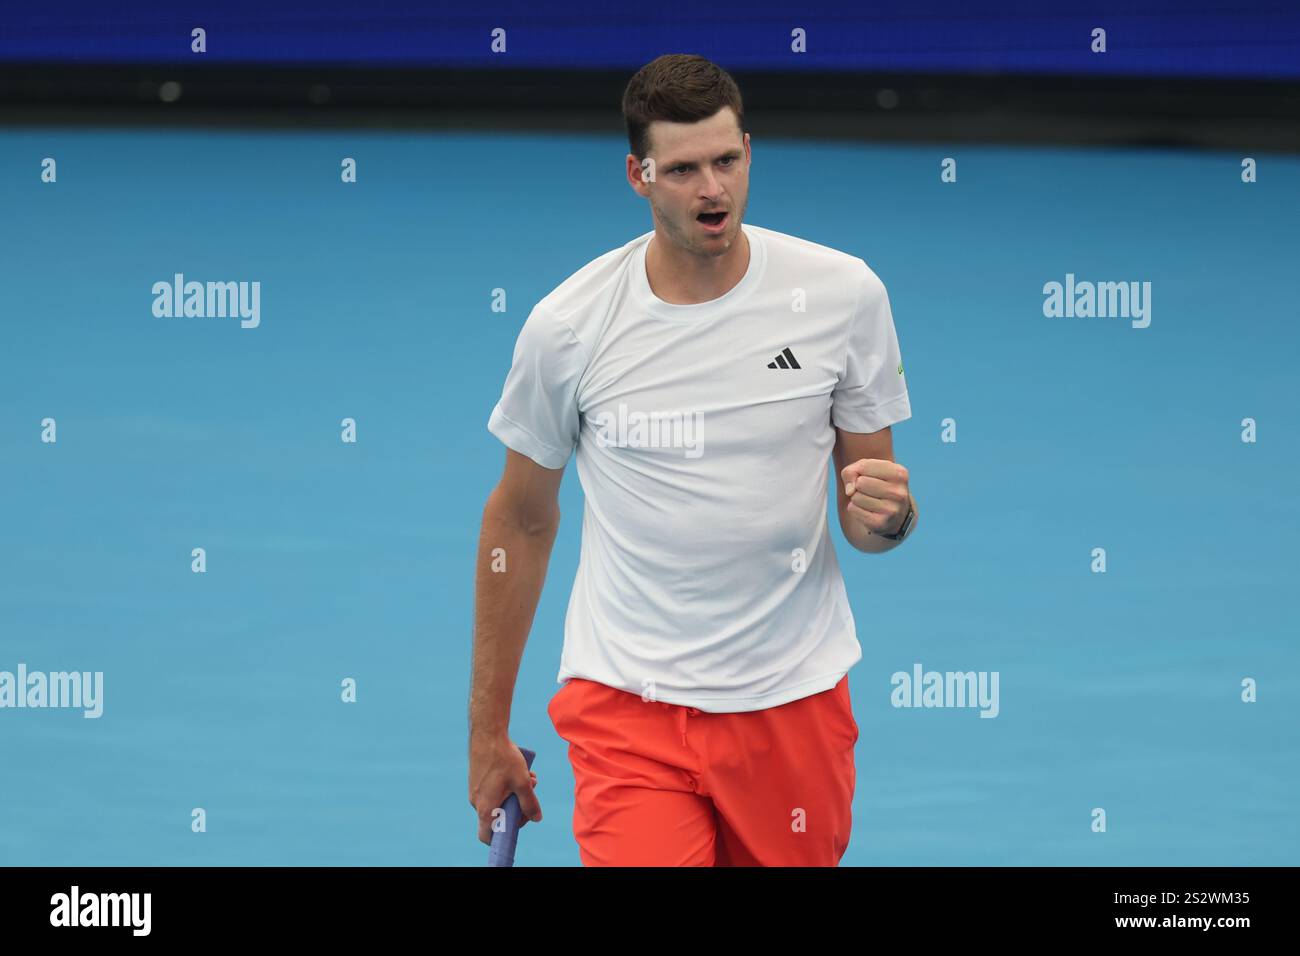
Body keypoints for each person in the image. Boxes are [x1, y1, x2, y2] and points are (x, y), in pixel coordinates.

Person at [469, 53, 918, 866]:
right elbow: (521, 518)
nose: (712, 189)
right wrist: (487, 731)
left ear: (749, 150)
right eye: (681, 170)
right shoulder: (568, 326)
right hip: (627, 706)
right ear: (637, 176)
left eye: (727, 161)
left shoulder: (845, 296)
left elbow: (871, 518)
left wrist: (891, 518)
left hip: (793, 706)